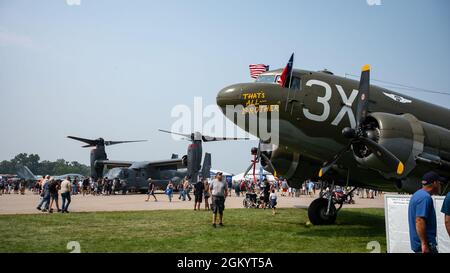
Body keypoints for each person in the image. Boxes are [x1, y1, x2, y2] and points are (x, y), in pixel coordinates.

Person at [408, 171, 444, 253]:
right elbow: (419, 220)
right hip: (426, 246)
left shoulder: (417, 194)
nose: (440, 185)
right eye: (439, 183)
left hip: (420, 245)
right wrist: (424, 244)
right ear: (435, 183)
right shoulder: (425, 198)